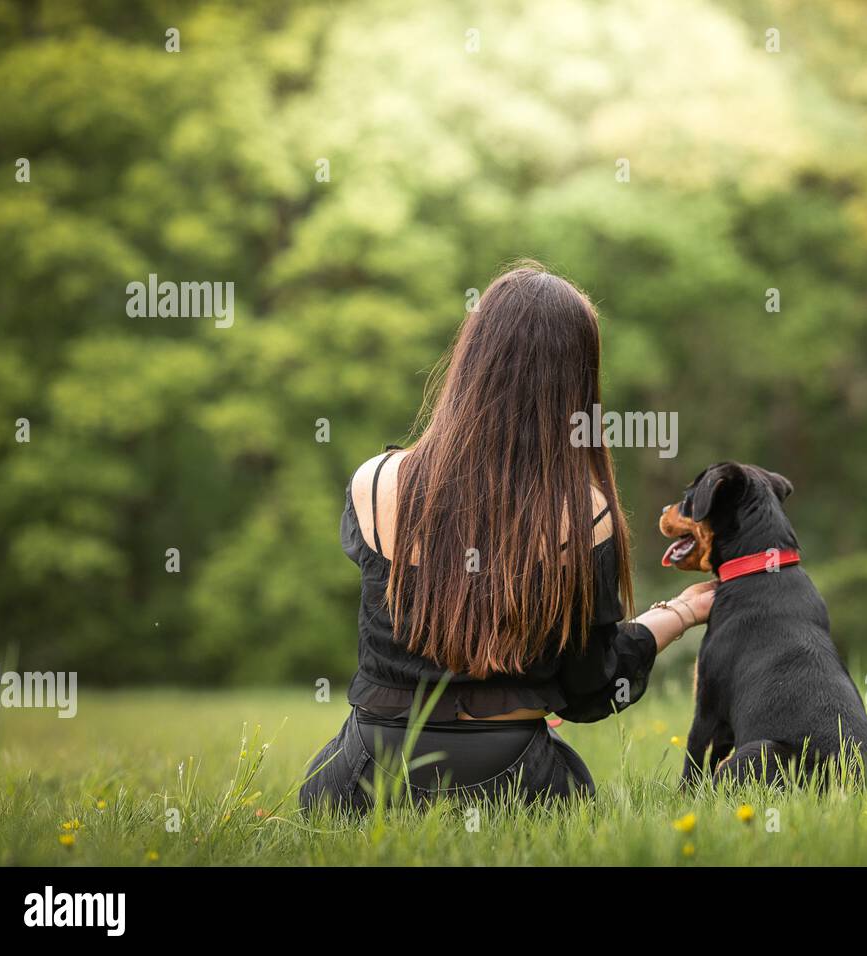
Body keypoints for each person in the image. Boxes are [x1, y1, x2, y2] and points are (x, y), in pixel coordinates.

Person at [299, 262, 716, 813]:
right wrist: (681, 613)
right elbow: (589, 687)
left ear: (472, 358)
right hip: (518, 784)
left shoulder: (373, 482)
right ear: (577, 383)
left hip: (364, 781)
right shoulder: (585, 516)